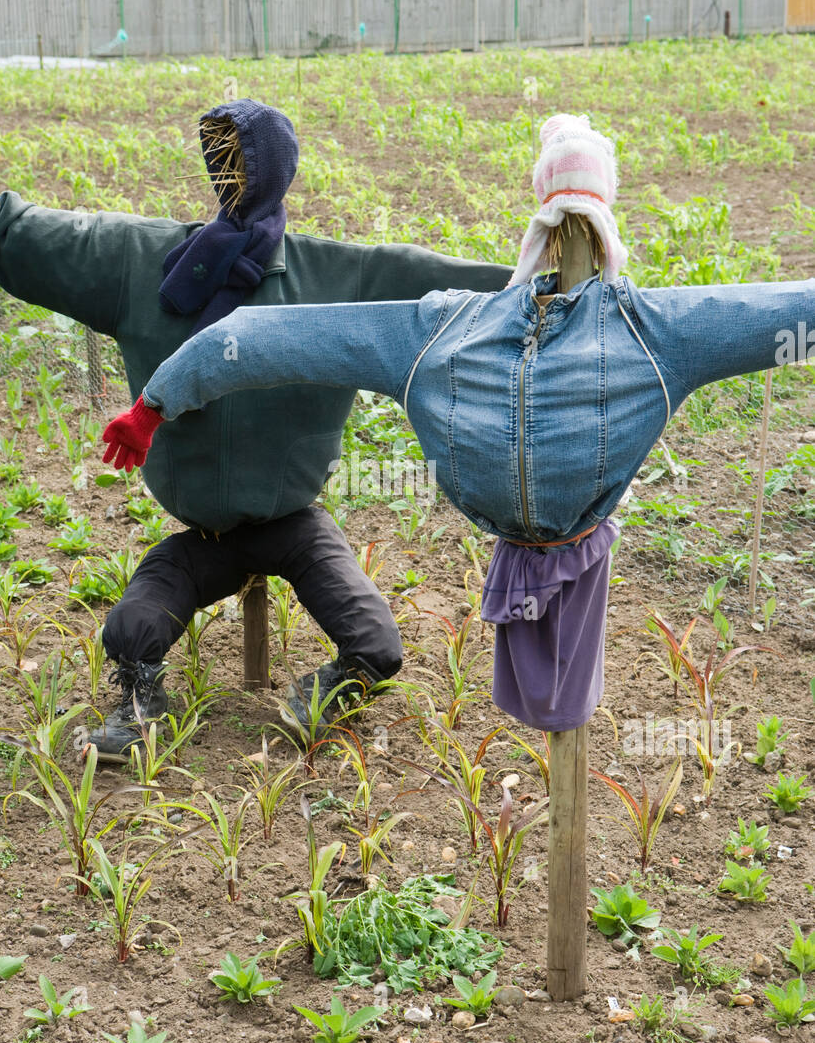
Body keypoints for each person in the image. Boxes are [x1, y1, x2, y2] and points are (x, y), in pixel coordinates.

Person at [101, 113, 815, 733]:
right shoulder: (655, 329)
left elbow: (271, 337)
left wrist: (155, 403)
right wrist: (157, 403)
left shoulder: (444, 325)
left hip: (501, 504)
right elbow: (784, 313)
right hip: (576, 514)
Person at [0, 100, 513, 754]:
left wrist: (539, 286)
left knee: (376, 645)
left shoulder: (336, 276)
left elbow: (442, 284)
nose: (229, 170)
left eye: (242, 156)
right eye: (217, 154)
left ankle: (321, 697)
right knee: (131, 629)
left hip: (295, 523)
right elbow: (80, 240)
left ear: (277, 170)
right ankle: (138, 711)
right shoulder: (157, 264)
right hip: (204, 535)